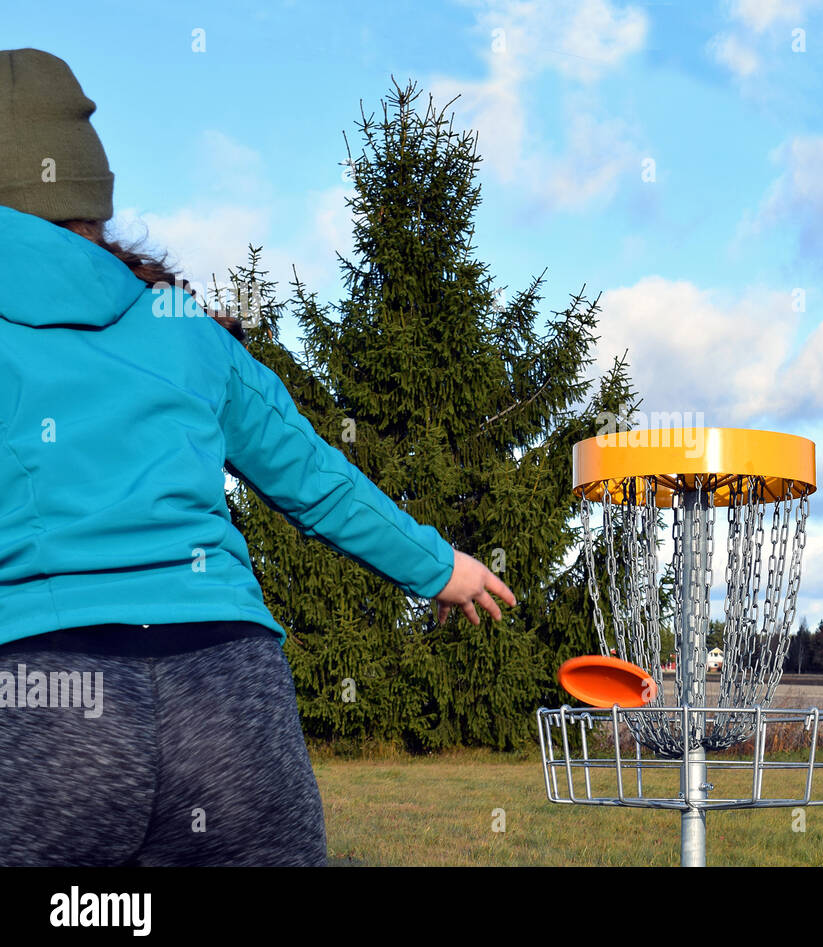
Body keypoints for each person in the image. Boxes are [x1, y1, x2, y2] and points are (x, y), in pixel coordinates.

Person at [0, 48, 515, 866]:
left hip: (46, 696)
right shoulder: (178, 324)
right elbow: (312, 476)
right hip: (230, 694)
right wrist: (437, 565)